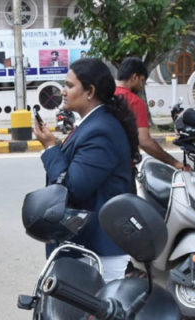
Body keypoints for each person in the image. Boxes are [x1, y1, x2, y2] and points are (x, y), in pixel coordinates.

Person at [34, 58, 140, 282]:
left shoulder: (101, 130)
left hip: (99, 248)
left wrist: (51, 148)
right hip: (88, 245)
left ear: (90, 91)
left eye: (70, 86)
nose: (63, 91)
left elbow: (72, 188)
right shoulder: (92, 124)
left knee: (93, 315)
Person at [114, 57, 186, 170]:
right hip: (122, 168)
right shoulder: (134, 101)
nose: (141, 85)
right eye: (142, 80)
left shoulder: (105, 96)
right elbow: (144, 141)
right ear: (134, 77)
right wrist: (175, 163)